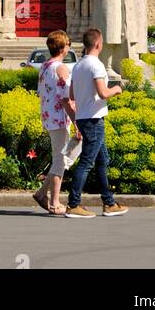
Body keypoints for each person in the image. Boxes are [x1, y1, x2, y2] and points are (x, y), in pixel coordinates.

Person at [65, 27, 129, 218]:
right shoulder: (97, 65)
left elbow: (72, 95)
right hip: (94, 119)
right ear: (99, 44)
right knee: (87, 162)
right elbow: (103, 93)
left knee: (102, 160)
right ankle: (73, 204)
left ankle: (108, 202)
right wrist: (116, 89)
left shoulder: (78, 65)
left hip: (84, 117)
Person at [33, 30, 78, 216]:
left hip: (49, 116)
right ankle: (54, 202)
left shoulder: (45, 65)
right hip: (59, 117)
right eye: (68, 44)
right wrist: (77, 122)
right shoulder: (60, 68)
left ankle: (42, 192)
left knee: (60, 157)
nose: (69, 48)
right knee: (60, 159)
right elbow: (66, 99)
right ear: (63, 47)